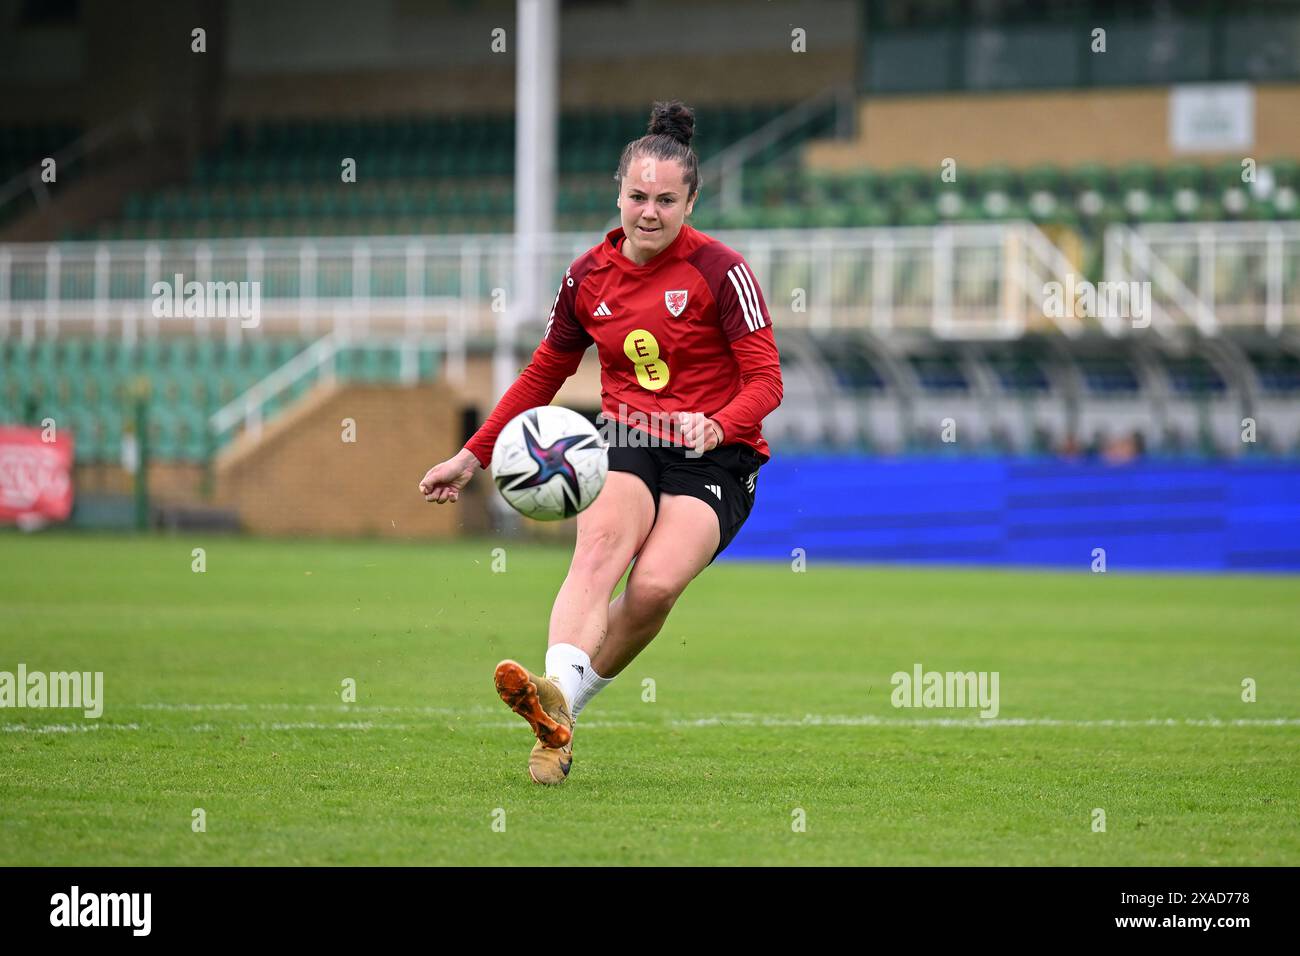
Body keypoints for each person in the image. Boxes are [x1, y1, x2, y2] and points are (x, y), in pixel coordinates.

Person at [417, 100, 783, 785]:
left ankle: (562, 713)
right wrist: (475, 453)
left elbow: (767, 380)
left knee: (654, 588)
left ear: (691, 201)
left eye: (666, 200)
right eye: (637, 196)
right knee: (598, 553)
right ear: (618, 193)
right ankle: (555, 696)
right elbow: (546, 370)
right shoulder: (586, 277)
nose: (649, 212)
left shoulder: (721, 272)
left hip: (720, 456)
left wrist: (721, 423)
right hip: (627, 436)